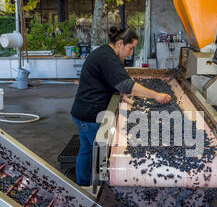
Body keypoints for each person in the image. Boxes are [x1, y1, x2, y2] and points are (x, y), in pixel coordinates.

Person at [71, 26, 171, 186]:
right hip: (91, 115)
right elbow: (125, 84)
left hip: (81, 111)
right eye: (130, 48)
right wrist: (156, 95)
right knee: (99, 157)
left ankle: (82, 185)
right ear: (120, 43)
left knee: (87, 151)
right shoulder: (107, 57)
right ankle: (95, 191)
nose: (131, 53)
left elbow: (109, 80)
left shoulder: (105, 52)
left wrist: (121, 95)